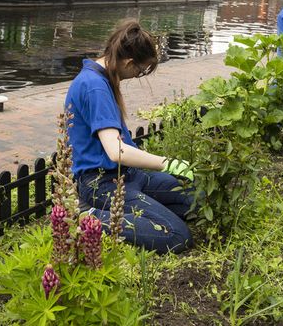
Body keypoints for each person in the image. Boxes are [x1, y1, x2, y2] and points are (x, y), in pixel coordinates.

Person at [66, 20, 195, 254]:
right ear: (128, 62)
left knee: (194, 200)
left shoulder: (101, 77)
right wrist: (166, 163)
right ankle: (87, 216)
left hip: (128, 177)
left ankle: (134, 213)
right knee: (177, 236)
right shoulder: (94, 87)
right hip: (102, 184)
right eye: (140, 70)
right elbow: (116, 151)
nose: (138, 76)